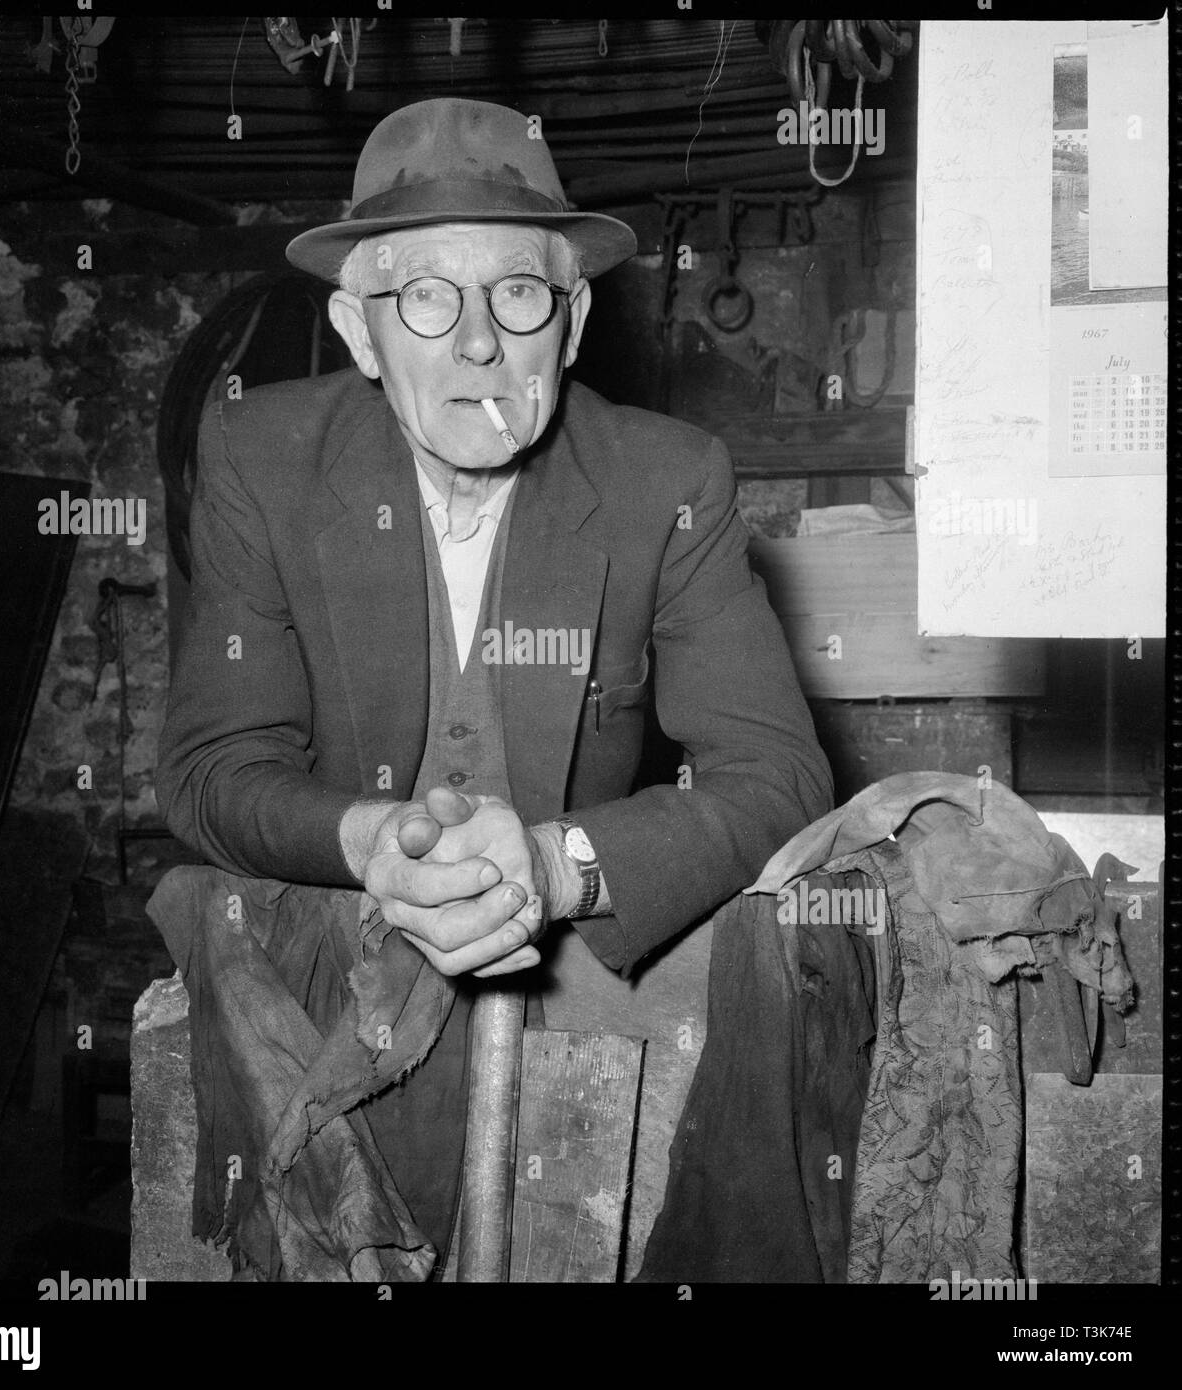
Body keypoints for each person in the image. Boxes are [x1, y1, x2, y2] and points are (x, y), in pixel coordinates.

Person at [155, 97, 833, 1279]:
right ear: (361, 334)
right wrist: (371, 839)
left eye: (517, 295)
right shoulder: (260, 462)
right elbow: (212, 771)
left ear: (568, 323)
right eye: (426, 296)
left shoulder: (668, 479)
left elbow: (778, 775)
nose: (478, 343)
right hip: (350, 926)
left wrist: (559, 861)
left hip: (575, 946)